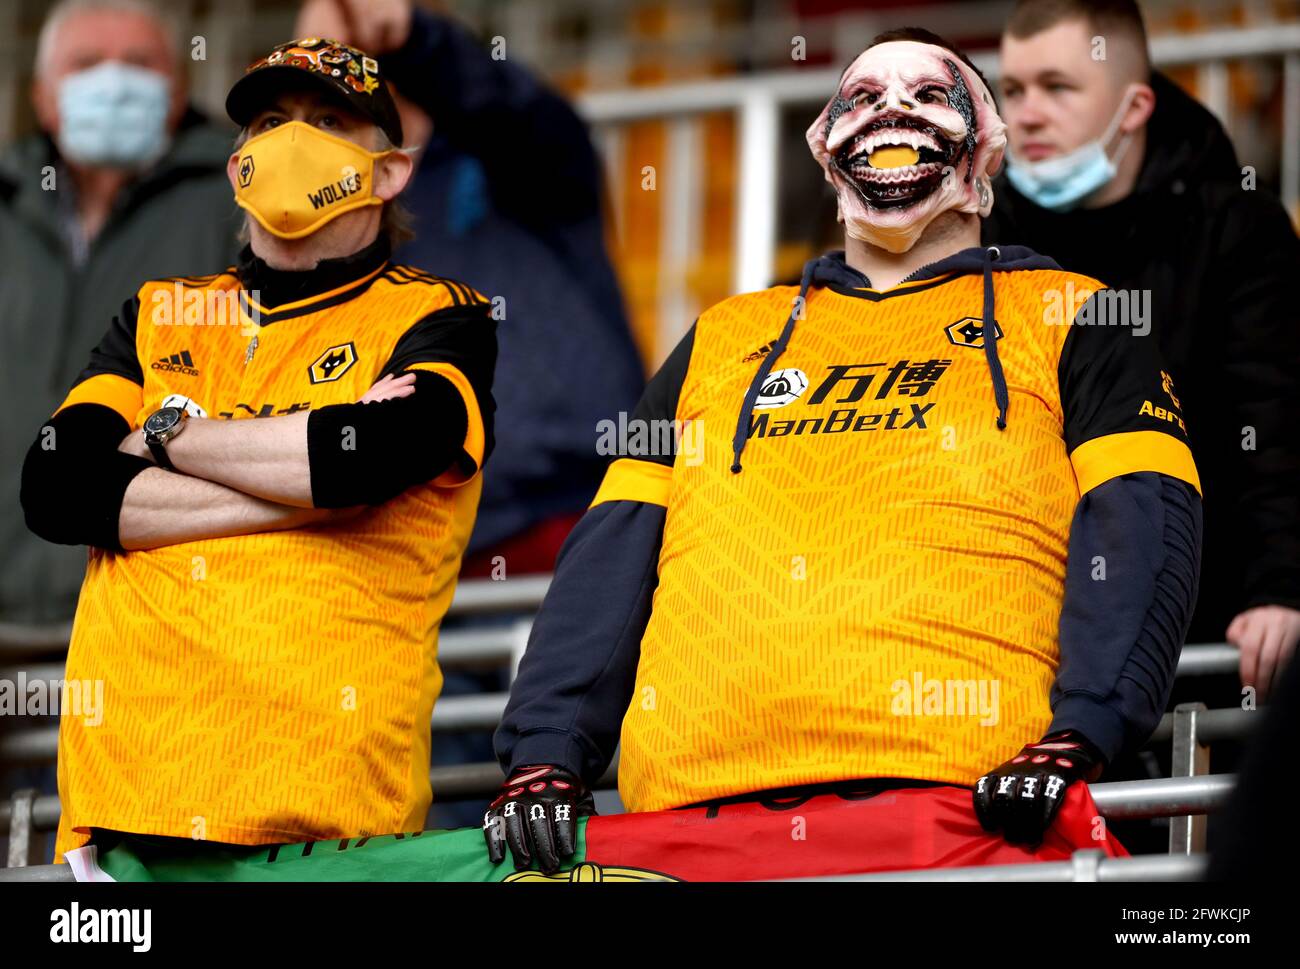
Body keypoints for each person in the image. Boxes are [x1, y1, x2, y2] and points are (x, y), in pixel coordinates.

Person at [483, 28, 1203, 873]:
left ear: (988, 153)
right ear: (824, 150)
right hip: (693, 820)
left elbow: (1144, 529)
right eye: (862, 98)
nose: (892, 112)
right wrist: (545, 748)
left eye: (932, 96)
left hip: (959, 811)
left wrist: (1084, 731)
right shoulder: (722, 335)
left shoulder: (1083, 315)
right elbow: (610, 549)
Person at [20, 37, 496, 864]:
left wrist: (168, 434)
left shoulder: (443, 314)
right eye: (270, 121)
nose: (289, 140)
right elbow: (58, 486)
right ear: (237, 162)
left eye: (326, 121)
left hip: (330, 816)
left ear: (389, 172)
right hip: (126, 806)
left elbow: (377, 453)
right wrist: (309, 490)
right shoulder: (159, 312)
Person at [984, 0, 1300, 699]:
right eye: (1012, 90)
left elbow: (1273, 420)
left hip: (1202, 630)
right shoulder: (977, 238)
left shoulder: (1235, 231)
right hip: (1017, 644)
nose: (1027, 113)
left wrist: (1280, 587)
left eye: (1057, 87)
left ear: (1134, 107)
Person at [294, 0, 644, 576]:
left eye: (337, 66)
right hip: (405, 556)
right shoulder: (310, 225)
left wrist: (412, 38)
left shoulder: (517, 154)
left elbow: (506, 105)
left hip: (574, 516)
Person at [1, 0, 243, 625]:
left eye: (138, 63)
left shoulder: (238, 201)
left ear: (178, 87)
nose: (113, 82)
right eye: (86, 63)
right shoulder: (8, 201)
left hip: (160, 605)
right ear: (44, 96)